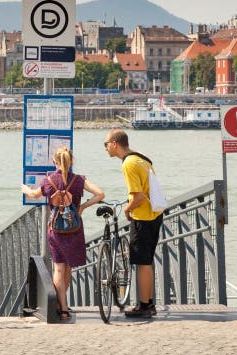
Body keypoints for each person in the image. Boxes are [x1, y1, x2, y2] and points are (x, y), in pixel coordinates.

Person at [21, 147, 104, 320]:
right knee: (68, 267)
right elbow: (100, 194)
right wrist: (82, 207)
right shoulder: (80, 180)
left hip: (56, 230)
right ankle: (61, 304)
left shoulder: (48, 181)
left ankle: (62, 307)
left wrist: (24, 188)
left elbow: (34, 194)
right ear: (71, 161)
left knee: (58, 268)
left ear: (54, 162)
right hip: (74, 229)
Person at [104, 129, 163, 318]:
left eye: (106, 144)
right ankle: (148, 303)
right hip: (154, 214)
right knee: (146, 262)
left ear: (114, 144)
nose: (105, 148)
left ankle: (144, 306)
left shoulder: (128, 164)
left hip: (143, 217)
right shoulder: (140, 158)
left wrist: (127, 210)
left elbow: (138, 196)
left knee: (142, 262)